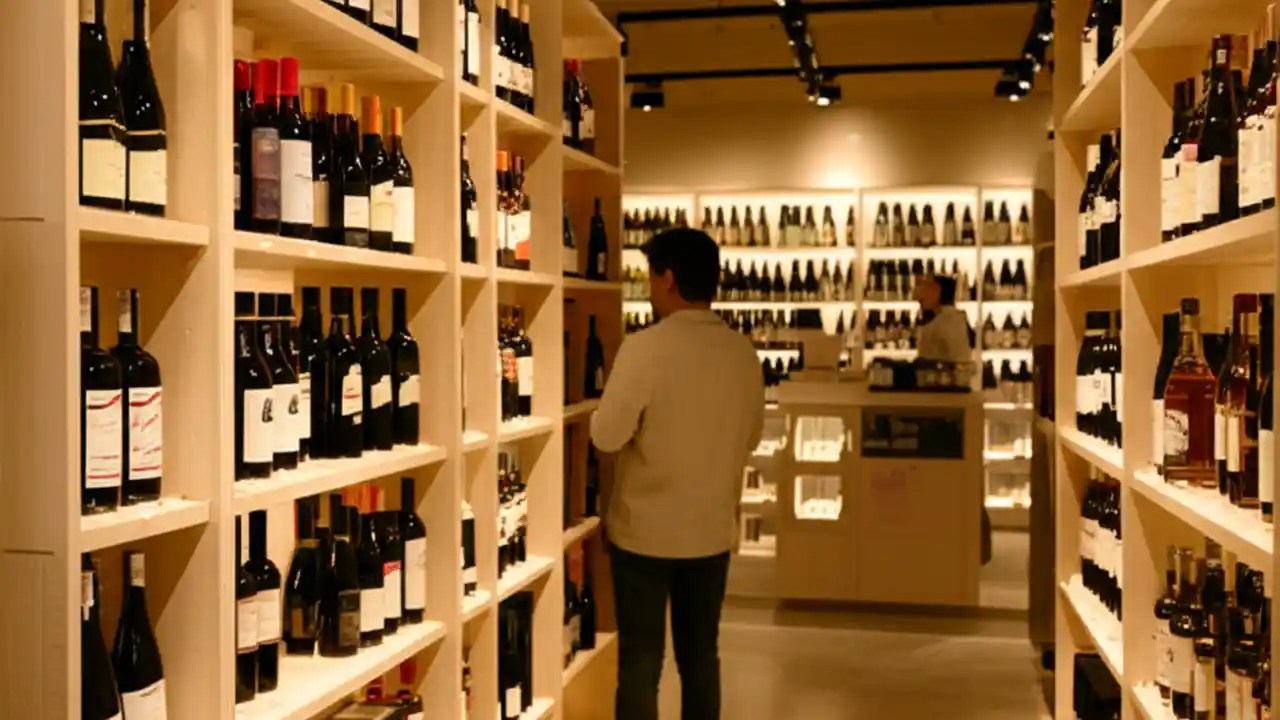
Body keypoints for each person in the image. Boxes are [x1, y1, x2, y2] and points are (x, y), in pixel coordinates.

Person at [590, 227, 765, 720]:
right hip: (710, 531)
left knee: (642, 662)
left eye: (650, 275)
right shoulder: (742, 353)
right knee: (700, 659)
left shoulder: (644, 348)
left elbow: (607, 436)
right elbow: (752, 437)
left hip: (643, 533)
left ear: (667, 278)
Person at [913, 273, 973, 363]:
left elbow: (959, 362)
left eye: (926, 289)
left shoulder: (951, 321)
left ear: (937, 291)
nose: (919, 296)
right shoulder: (947, 320)